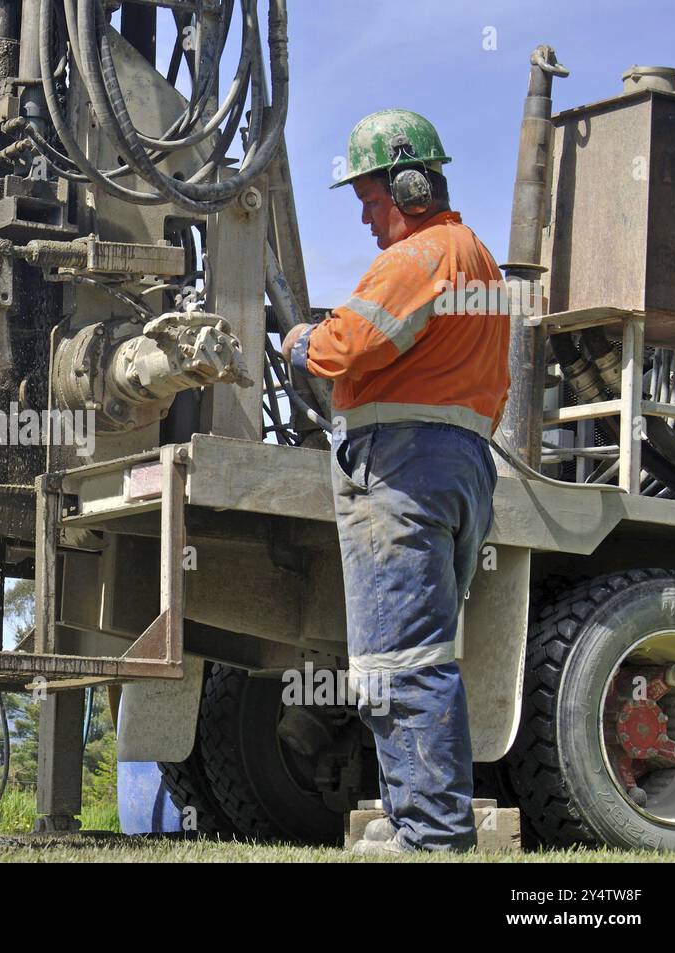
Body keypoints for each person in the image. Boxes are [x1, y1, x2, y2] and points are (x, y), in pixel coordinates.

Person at [281, 109, 510, 853]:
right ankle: (421, 814)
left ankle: (432, 832)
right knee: (423, 653)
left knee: (398, 658)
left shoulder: (419, 256)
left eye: (372, 202)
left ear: (409, 185)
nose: (368, 221)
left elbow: (350, 344)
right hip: (461, 463)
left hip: (404, 468)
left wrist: (302, 340)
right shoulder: (478, 259)